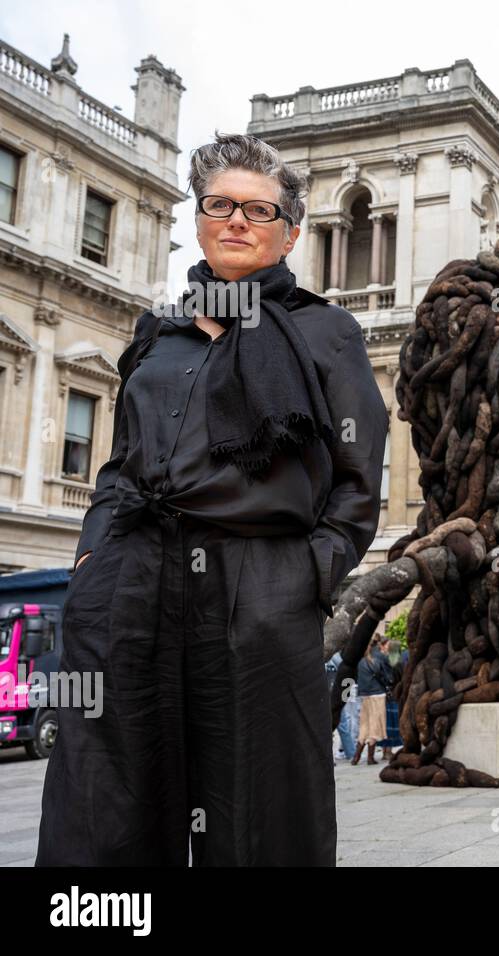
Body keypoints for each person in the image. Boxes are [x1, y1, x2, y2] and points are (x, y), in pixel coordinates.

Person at [36, 133, 389, 867]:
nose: (236, 221)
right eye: (219, 205)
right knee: (109, 791)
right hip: (131, 582)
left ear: (289, 232)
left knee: (259, 801)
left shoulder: (325, 332)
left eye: (258, 210)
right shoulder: (157, 331)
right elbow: (121, 461)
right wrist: (91, 557)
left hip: (256, 585)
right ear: (198, 219)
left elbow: (359, 480)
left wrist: (306, 576)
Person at [353, 636, 395, 765]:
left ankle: (356, 757)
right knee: (375, 726)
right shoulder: (380, 658)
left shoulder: (360, 660)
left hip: (364, 695)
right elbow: (388, 677)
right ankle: (370, 758)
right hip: (377, 695)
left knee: (364, 726)